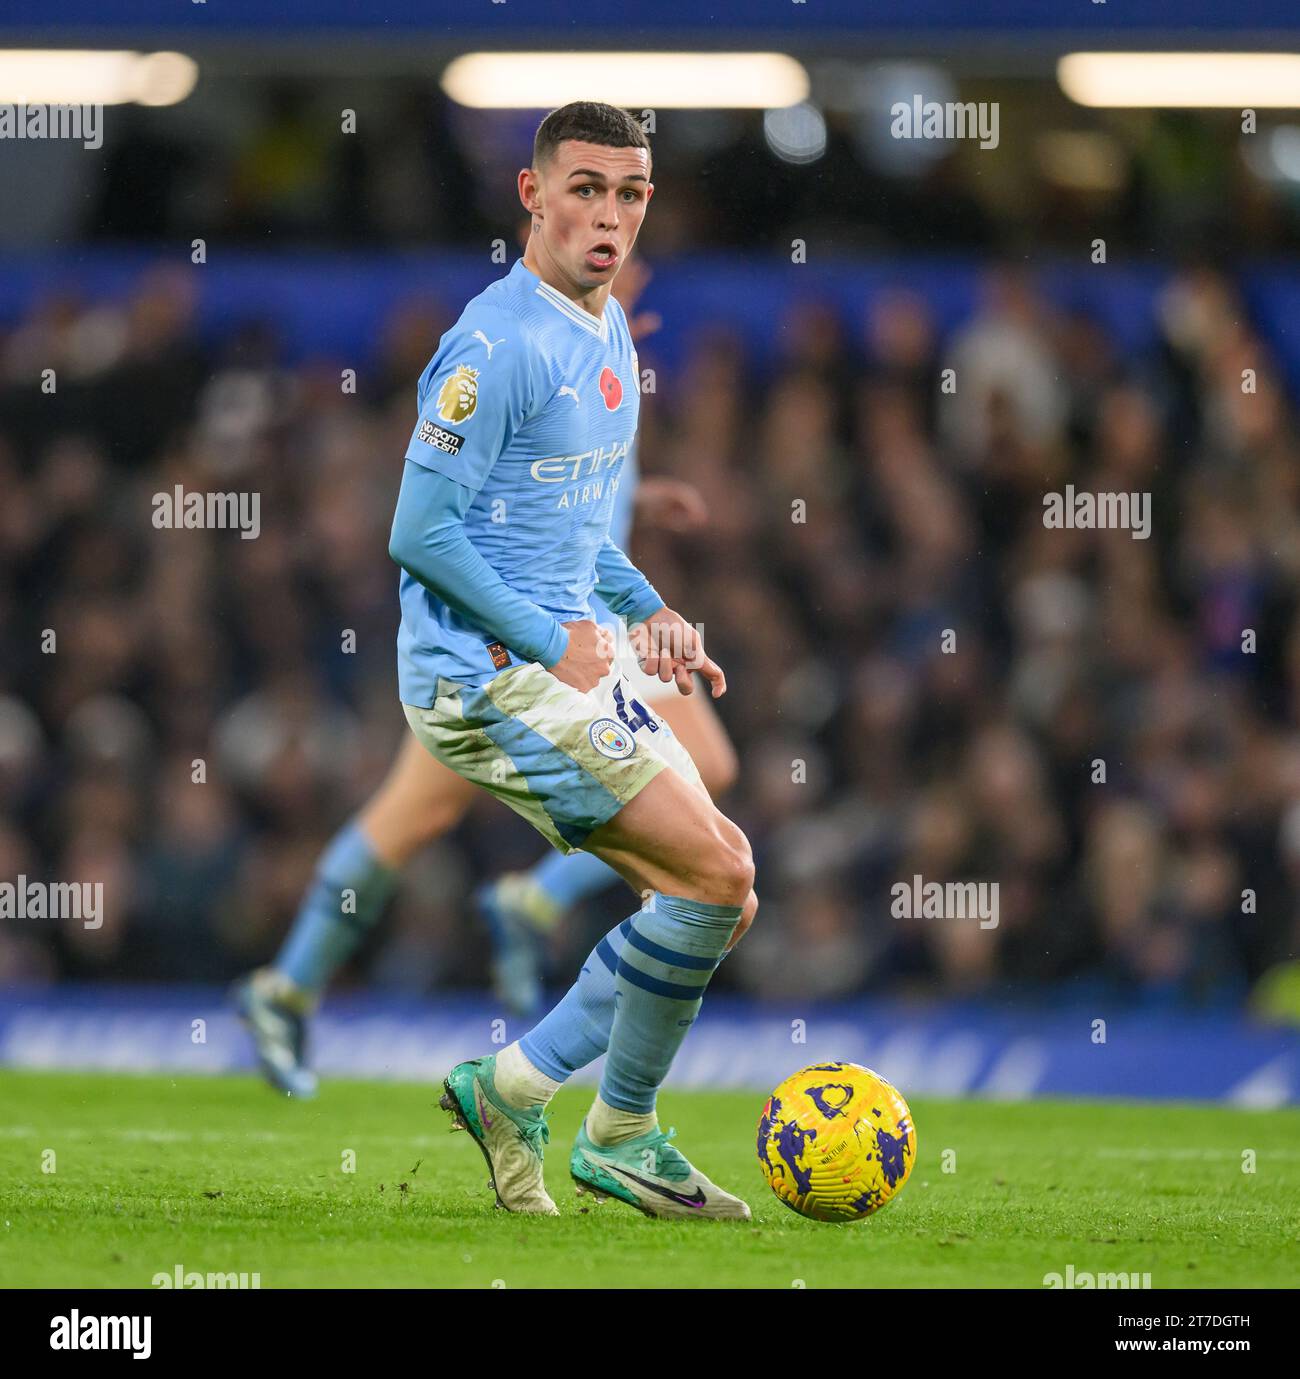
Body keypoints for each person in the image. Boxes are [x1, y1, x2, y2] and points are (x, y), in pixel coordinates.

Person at [234, 258, 738, 1100]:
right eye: (592, 203)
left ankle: (289, 986)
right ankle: (563, 1033)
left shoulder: (604, 343)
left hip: (570, 619)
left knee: (415, 820)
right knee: (697, 850)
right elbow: (447, 514)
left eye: (629, 216)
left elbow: (563, 495)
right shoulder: (513, 346)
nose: (622, 251)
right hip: (526, 636)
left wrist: (641, 499)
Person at [391, 101, 757, 1218]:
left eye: (630, 192)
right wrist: (555, 636)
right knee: (719, 875)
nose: (609, 214)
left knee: (719, 892)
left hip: (568, 664)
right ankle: (576, 1110)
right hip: (486, 676)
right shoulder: (493, 345)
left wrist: (650, 609)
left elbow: (581, 527)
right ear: (531, 194)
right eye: (586, 188)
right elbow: (420, 530)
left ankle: (573, 1111)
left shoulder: (599, 329)